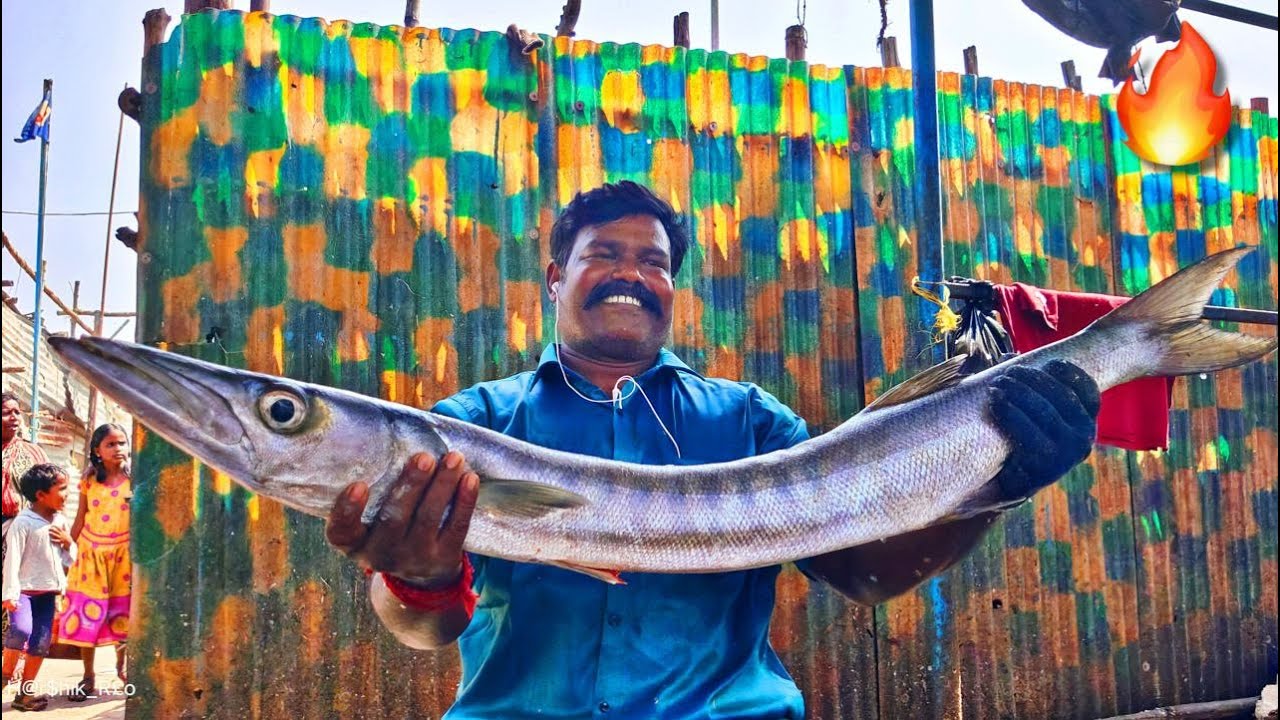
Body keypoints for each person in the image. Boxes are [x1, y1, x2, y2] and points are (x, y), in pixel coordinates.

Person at [326, 181, 1100, 718]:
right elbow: (424, 628)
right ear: (556, 278)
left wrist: (997, 484)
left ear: (671, 292)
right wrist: (419, 578)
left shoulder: (751, 423)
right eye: (604, 253)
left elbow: (861, 572)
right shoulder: (469, 426)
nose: (631, 272)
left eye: (654, 261)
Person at [56, 423, 131, 700]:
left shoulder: (135, 480)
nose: (118, 449)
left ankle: (123, 672)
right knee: (85, 615)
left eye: (122, 443)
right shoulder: (89, 480)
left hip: (123, 556)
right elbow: (80, 518)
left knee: (123, 617)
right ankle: (88, 677)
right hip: (89, 556)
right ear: (97, 451)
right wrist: (67, 552)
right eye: (110, 444)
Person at [2, 463, 75, 713]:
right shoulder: (23, 523)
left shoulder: (61, 521)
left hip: (47, 593)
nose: (67, 494)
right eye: (62, 488)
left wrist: (68, 545)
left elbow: (67, 560)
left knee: (41, 643)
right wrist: (10, 594)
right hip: (23, 591)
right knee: (21, 630)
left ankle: (24, 694)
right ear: (41, 494)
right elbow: (12, 559)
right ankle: (5, 672)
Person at [2, 392, 50, 647]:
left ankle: (10, 662)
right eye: (6, 412)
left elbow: (50, 492)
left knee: (14, 596)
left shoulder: (33, 453)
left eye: (17, 411)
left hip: (20, 533)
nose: (14, 417)